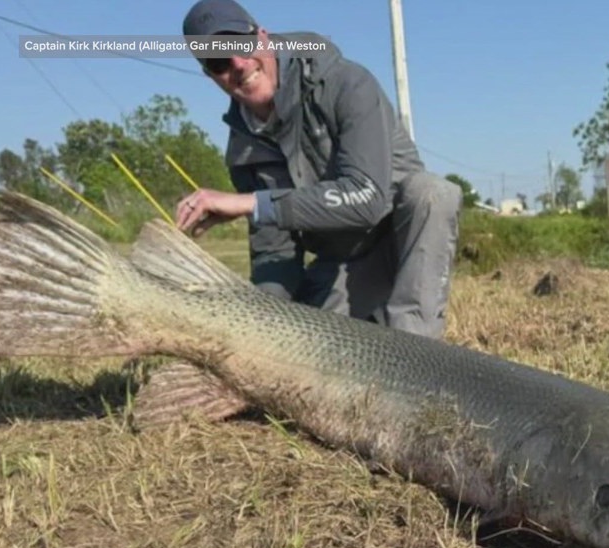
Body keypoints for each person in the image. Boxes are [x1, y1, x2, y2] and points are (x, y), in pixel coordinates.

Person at [176, 0, 463, 340]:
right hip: (343, 261)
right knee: (305, 340)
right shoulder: (243, 151)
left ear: (262, 36)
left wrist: (251, 203)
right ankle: (369, 322)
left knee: (432, 193)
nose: (238, 63)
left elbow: (366, 199)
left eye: (241, 44)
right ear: (210, 75)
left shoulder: (346, 83)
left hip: (403, 244)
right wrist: (265, 326)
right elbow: (275, 252)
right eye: (219, 61)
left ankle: (415, 349)